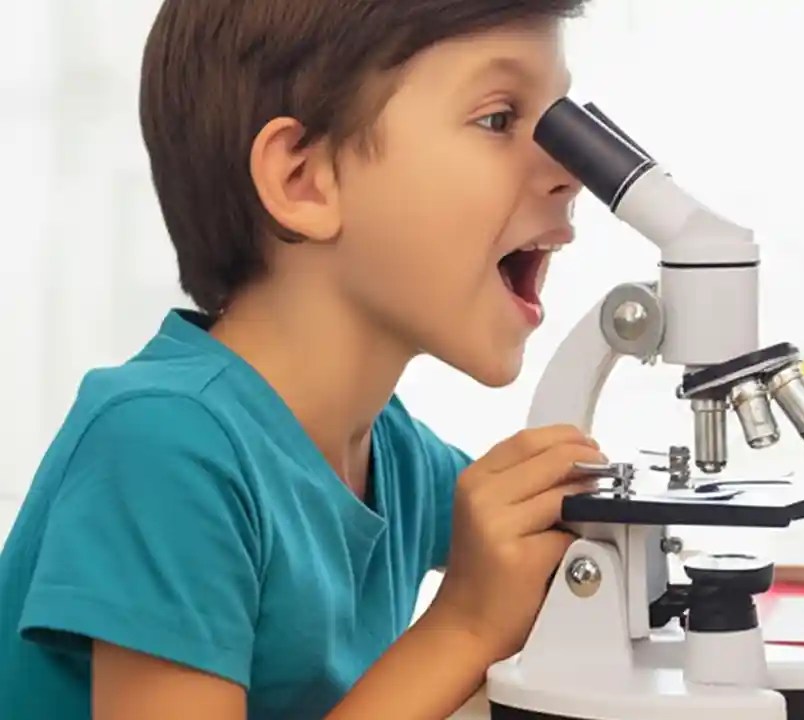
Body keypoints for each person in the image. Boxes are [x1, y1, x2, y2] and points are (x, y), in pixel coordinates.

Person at [0, 1, 602, 717]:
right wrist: (465, 623)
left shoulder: (392, 453)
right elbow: (483, 603)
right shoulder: (163, 447)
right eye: (500, 119)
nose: (569, 170)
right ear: (303, 179)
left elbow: (536, 553)